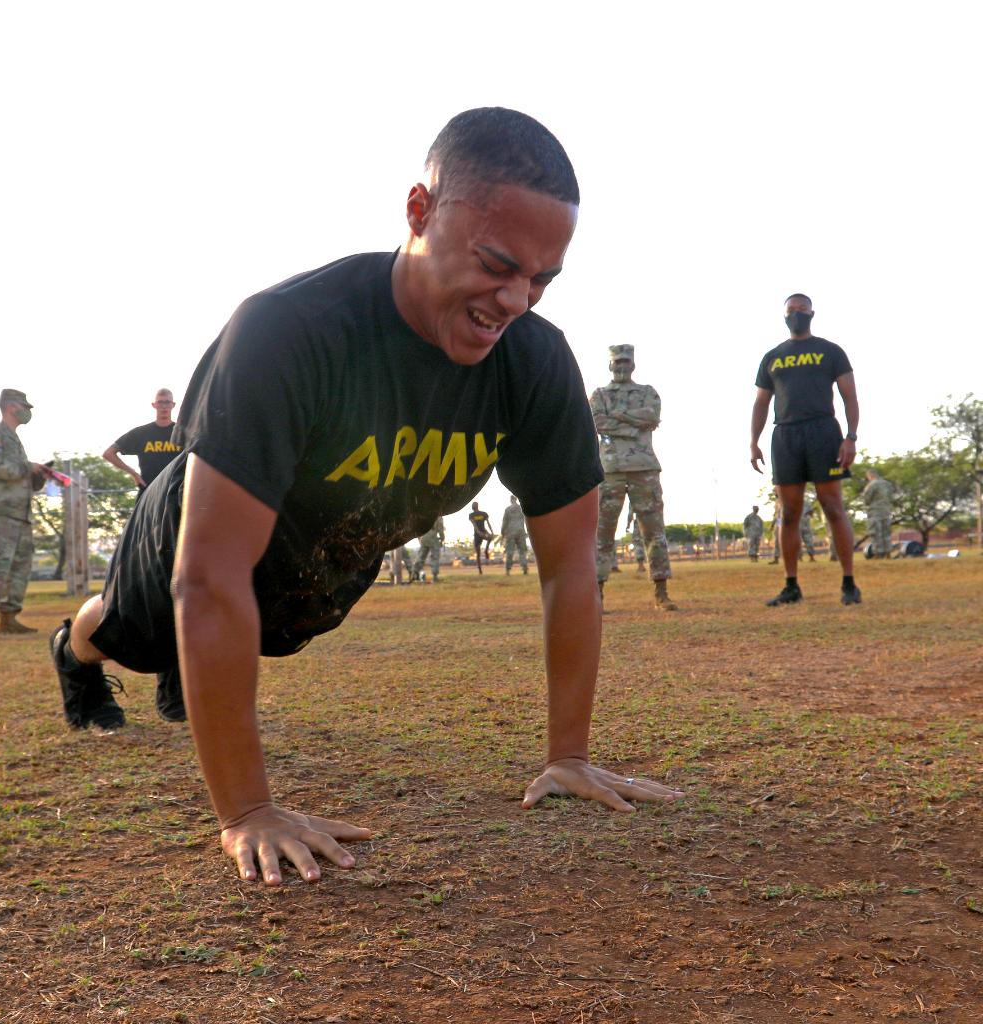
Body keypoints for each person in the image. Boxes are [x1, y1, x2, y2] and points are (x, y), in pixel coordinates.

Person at [48, 107, 683, 886]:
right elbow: (208, 575)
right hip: (201, 531)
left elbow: (569, 569)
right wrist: (247, 812)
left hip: (328, 566)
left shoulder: (534, 365)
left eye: (542, 279)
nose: (517, 299)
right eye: (496, 263)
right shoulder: (289, 331)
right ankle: (72, 652)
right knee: (126, 634)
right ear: (418, 213)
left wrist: (569, 755)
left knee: (256, 633)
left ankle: (180, 656)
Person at [750, 293, 861, 606]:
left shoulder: (830, 351)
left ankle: (849, 583)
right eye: (791, 310)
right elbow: (761, 402)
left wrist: (850, 437)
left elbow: (849, 396)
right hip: (785, 436)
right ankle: (791, 586)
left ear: (812, 313)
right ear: (784, 316)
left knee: (832, 506)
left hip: (823, 431)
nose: (796, 314)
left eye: (802, 309)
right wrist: (753, 441)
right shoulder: (773, 356)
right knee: (789, 513)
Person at [591, 344, 677, 610]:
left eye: (626, 362)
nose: (621, 367)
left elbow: (652, 417)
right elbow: (595, 422)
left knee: (654, 532)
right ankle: (597, 594)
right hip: (609, 470)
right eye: (617, 362)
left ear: (633, 365)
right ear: (610, 365)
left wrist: (617, 417)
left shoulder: (647, 393)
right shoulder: (600, 395)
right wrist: (631, 426)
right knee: (602, 533)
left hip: (645, 469)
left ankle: (661, 593)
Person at [0, 390, 47, 638]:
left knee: (19, 567)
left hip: (20, 514)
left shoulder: (15, 440)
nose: (28, 411)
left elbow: (20, 477)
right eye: (25, 406)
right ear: (10, 406)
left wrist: (37, 475)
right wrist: (28, 467)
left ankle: (9, 618)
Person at [102, 389, 183, 490]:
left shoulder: (183, 433)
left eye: (167, 402)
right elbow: (108, 453)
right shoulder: (141, 433)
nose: (164, 406)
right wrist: (134, 474)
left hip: (177, 490)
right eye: (160, 402)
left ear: (173, 405)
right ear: (154, 405)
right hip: (148, 491)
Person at [862, 468, 894, 558]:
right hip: (886, 510)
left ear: (870, 475)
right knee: (886, 532)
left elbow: (866, 499)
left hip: (875, 511)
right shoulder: (887, 484)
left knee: (876, 532)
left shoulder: (872, 485)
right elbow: (891, 497)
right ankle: (888, 552)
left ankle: (878, 553)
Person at [501, 495, 529, 575]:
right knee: (522, 552)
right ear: (516, 499)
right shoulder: (521, 508)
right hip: (520, 532)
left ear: (511, 500)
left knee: (509, 552)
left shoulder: (508, 509)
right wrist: (526, 532)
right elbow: (526, 520)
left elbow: (504, 522)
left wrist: (502, 532)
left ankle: (508, 570)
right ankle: (524, 568)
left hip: (510, 532)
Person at [412, 517, 445, 581]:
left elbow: (418, 529)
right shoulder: (438, 516)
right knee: (435, 557)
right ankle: (435, 577)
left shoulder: (424, 514)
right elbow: (440, 529)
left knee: (420, 557)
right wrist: (442, 539)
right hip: (433, 538)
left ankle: (414, 574)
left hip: (423, 538)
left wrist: (419, 539)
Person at [468, 501, 495, 573]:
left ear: (477, 506)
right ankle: (480, 569)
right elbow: (474, 524)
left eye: (474, 505)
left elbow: (488, 523)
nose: (473, 506)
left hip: (483, 531)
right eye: (473, 505)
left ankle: (486, 550)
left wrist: (491, 532)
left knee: (490, 537)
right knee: (478, 552)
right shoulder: (471, 515)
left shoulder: (483, 514)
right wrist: (478, 532)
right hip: (477, 534)